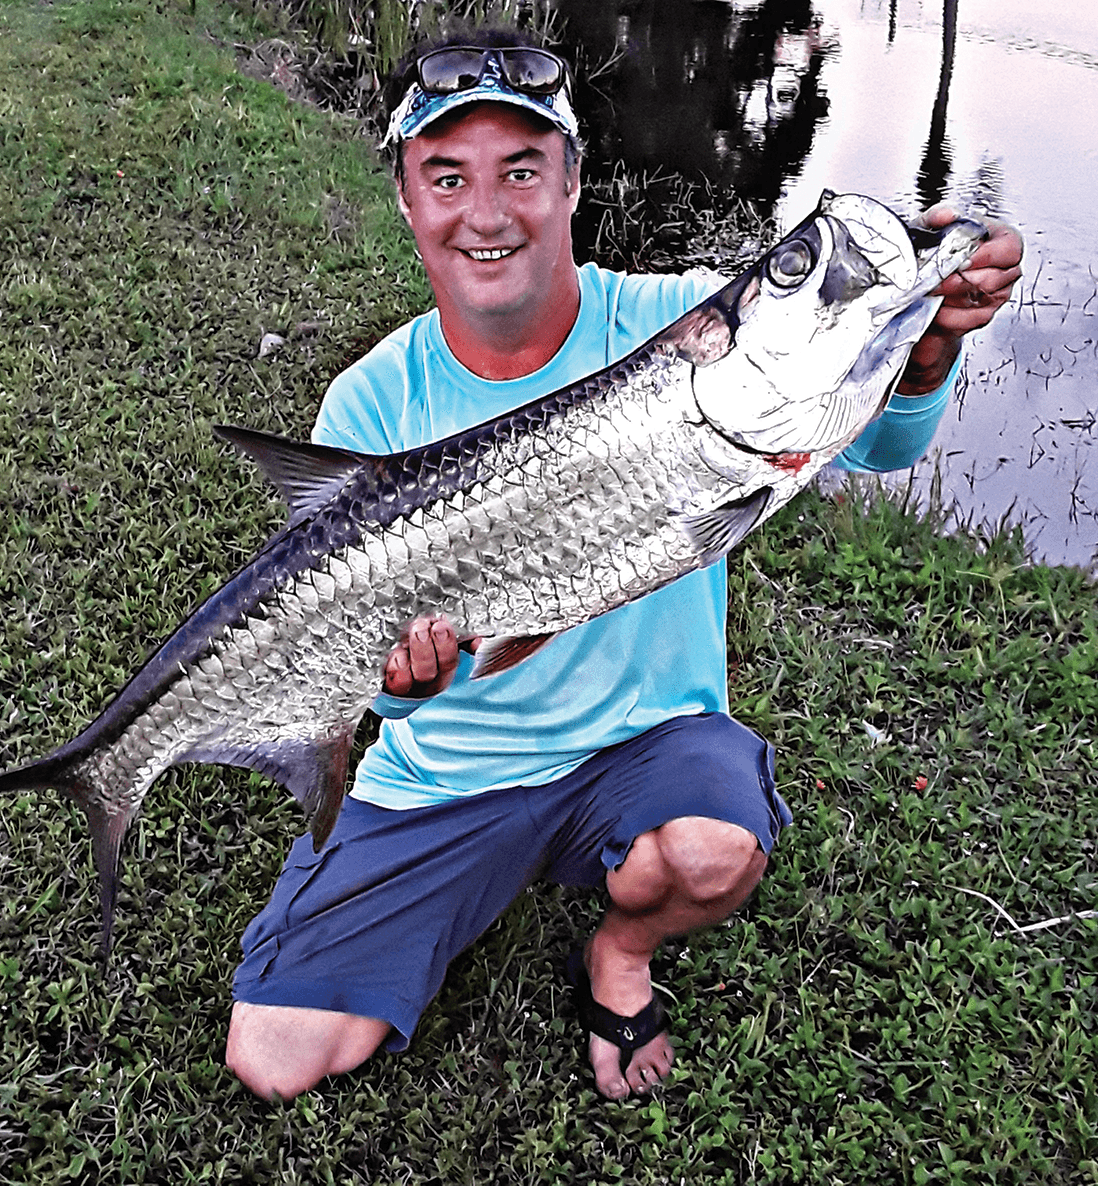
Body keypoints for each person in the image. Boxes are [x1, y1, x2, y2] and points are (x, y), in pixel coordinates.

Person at [225, 28, 1023, 1103]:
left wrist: (924, 343)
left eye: (522, 171)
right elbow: (391, 673)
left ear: (572, 181)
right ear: (410, 202)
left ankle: (622, 950)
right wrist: (402, 685)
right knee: (273, 1058)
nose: (489, 213)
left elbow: (877, 441)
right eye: (447, 178)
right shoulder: (372, 401)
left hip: (644, 750)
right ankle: (464, 868)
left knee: (709, 849)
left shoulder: (672, 321)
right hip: (449, 773)